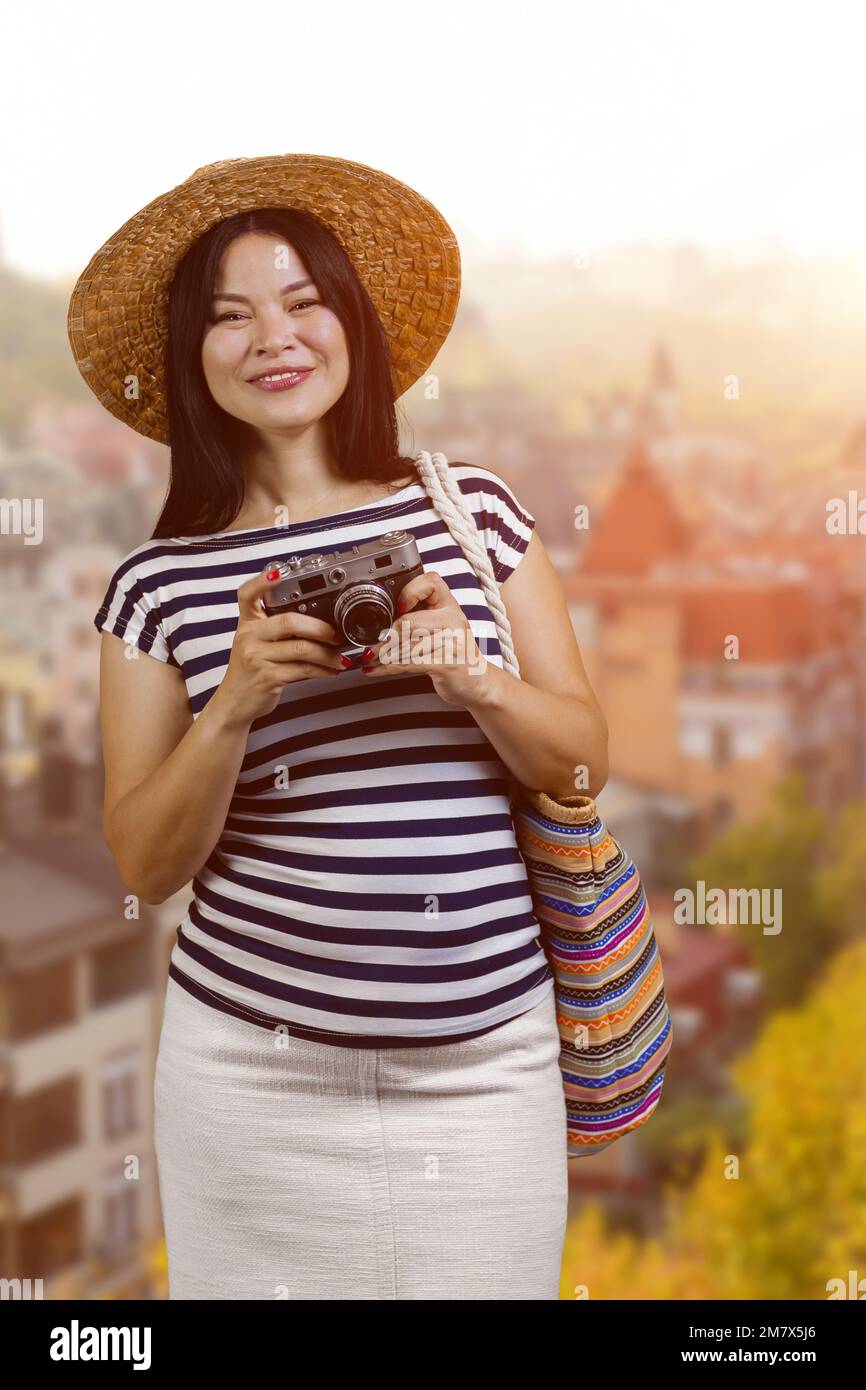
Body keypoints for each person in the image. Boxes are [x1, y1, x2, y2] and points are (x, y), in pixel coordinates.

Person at [68, 154, 609, 1300]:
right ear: (191, 356)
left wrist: (474, 676)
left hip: (485, 1072)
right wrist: (236, 706)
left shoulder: (471, 514)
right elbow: (145, 862)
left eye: (303, 300)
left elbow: (580, 758)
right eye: (230, 316)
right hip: (249, 1082)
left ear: (350, 326)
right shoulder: (153, 587)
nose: (274, 335)